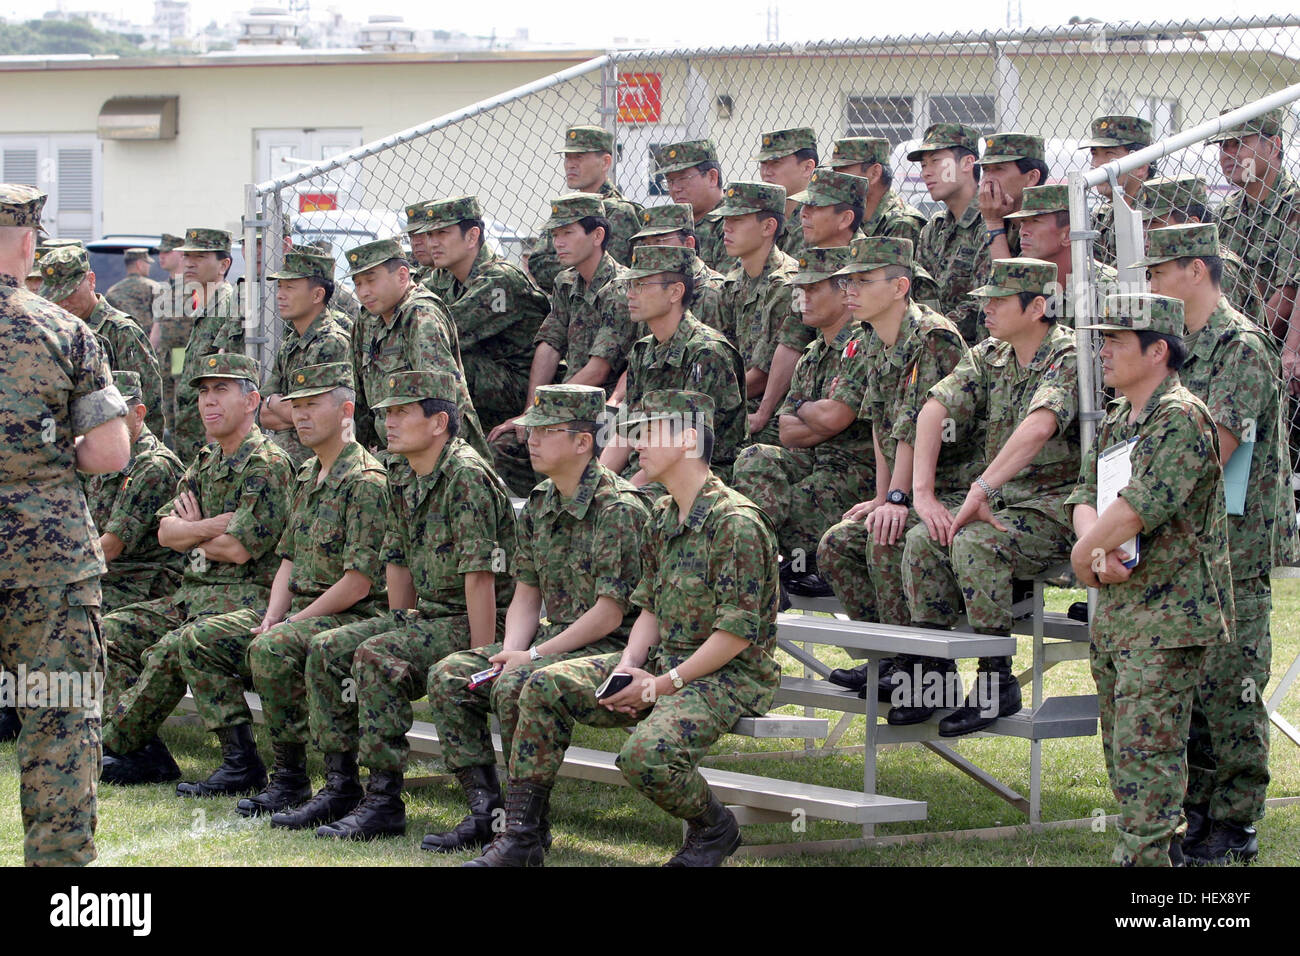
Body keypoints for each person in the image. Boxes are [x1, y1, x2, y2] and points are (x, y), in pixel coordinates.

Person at [479, 390, 780, 868]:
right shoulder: (663, 514)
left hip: (727, 675)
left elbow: (736, 635)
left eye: (649, 432)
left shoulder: (735, 523)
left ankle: (714, 828)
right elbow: (650, 608)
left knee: (645, 757)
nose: (635, 443)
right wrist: (627, 666)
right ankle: (522, 836)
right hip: (664, 663)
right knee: (540, 685)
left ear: (685, 440)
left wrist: (660, 685)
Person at [423, 384, 648, 858]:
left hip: (612, 647)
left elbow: (610, 613)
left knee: (516, 682)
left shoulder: (618, 508)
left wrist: (532, 655)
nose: (531, 441)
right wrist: (513, 649)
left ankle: (526, 831)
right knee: (448, 676)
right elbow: (527, 592)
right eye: (532, 431)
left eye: (546, 432)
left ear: (583, 442)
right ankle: (487, 813)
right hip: (553, 641)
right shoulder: (542, 501)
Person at [1139, 223, 1299, 864]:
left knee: (1230, 683)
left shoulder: (1241, 348)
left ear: (1196, 271)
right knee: (1195, 681)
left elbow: (1217, 449)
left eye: (1160, 269)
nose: (1150, 280)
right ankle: (1199, 812)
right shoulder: (1179, 348)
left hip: (1233, 544)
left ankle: (1235, 823)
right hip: (1190, 541)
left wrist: (1142, 508)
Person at [168, 363, 388, 806]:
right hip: (300, 612)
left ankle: (311, 781)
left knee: (274, 647)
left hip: (353, 614)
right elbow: (288, 558)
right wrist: (273, 616)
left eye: (312, 406)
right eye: (296, 407)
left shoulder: (364, 480)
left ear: (346, 412)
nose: (300, 417)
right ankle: (241, 763)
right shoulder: (310, 475)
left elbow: (358, 584)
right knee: (200, 639)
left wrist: (290, 621)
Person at [310, 369, 516, 840]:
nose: (389, 423)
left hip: (483, 619)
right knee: (329, 648)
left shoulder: (465, 476)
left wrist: (478, 659)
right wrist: (401, 623)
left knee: (376, 656)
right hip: (432, 617)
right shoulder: (402, 472)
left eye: (402, 412)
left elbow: (479, 576)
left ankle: (472, 807)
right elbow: (397, 559)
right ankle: (345, 786)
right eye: (386, 414)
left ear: (439, 422)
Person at [1068, 291, 1234, 867]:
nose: (1102, 351)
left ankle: (1147, 865)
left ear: (1157, 350)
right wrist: (1093, 551)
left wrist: (1084, 554)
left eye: (1115, 341)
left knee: (1149, 753)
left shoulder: (1182, 417)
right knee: (1124, 751)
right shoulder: (1120, 416)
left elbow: (1140, 506)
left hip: (1167, 619)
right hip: (1121, 611)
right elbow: (1085, 496)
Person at [0, 183, 130, 866]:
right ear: (28, 244)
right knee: (56, 721)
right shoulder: (65, 331)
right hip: (46, 563)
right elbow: (111, 452)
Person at [900, 258, 1079, 733]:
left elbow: (1041, 427)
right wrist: (923, 494)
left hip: (1053, 509)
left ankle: (996, 681)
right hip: (1002, 504)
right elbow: (933, 409)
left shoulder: (1068, 356)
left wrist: (981, 487)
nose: (987, 310)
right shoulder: (991, 353)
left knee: (976, 542)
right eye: (986, 300)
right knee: (924, 539)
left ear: (1038, 306)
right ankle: (930, 680)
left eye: (999, 301)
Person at [98, 354, 292, 787]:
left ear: (252, 401)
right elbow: (167, 533)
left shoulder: (266, 463)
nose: (208, 401)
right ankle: (144, 753)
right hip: (193, 596)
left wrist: (193, 530)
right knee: (110, 632)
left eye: (221, 390)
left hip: (245, 601)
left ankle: (234, 762)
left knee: (177, 646)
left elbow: (239, 549)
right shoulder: (206, 459)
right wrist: (208, 525)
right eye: (204, 391)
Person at [816, 238, 977, 694]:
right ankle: (886, 658)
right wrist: (883, 496)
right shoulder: (870, 337)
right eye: (848, 280)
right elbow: (879, 423)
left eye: (864, 281)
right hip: (907, 485)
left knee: (887, 537)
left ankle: (925, 671)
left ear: (900, 286)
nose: (850, 289)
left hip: (947, 485)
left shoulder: (932, 337)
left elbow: (914, 426)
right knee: (837, 543)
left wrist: (899, 500)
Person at [730, 245, 875, 597]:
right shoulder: (812, 355)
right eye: (800, 290)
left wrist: (805, 408)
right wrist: (815, 413)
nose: (803, 298)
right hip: (814, 461)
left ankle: (758, 574)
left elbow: (836, 417)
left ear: (844, 292)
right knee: (755, 457)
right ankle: (762, 570)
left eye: (813, 289)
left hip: (856, 472)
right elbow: (788, 432)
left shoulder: (864, 346)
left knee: (794, 506)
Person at [488, 193, 633, 496]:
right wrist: (531, 409)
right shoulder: (565, 282)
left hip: (605, 408)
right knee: (504, 445)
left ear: (597, 235)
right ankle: (548, 504)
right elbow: (549, 344)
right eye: (555, 234)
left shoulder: (620, 288)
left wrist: (542, 411)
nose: (558, 243)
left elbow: (598, 370)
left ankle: (575, 500)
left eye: (567, 233)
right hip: (562, 404)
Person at [601, 244, 746, 486]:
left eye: (641, 285)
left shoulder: (706, 353)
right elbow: (627, 430)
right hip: (649, 468)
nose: (630, 294)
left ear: (675, 292)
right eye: (629, 285)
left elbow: (686, 449)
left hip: (697, 475)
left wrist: (625, 493)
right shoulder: (643, 350)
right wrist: (600, 482)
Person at [345, 237, 490, 460]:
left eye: (371, 281)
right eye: (358, 283)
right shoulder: (367, 319)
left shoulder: (420, 316)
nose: (363, 292)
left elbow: (443, 402)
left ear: (402, 275)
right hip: (392, 450)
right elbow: (359, 401)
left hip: (432, 455)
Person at [417, 195, 551, 435]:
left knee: (438, 355)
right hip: (488, 378)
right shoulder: (444, 276)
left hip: (521, 386)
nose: (432, 243)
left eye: (442, 233)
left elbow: (439, 331)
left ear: (472, 236)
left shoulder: (500, 280)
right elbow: (411, 309)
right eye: (429, 235)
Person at [715, 181, 810, 445]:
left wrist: (713, 399)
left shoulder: (787, 286)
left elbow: (764, 375)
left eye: (738, 220)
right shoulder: (732, 284)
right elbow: (722, 356)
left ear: (768, 227)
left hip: (775, 411)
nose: (726, 228)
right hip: (736, 399)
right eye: (726, 220)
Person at [82, 371, 185, 612]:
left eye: (113, 414)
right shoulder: (105, 454)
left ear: (138, 414)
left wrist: (54, 570)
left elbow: (110, 546)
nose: (102, 421)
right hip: (108, 575)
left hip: (144, 584)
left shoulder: (153, 466)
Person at [38, 244, 166, 439]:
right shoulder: (52, 331)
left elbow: (149, 403)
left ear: (91, 281)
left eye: (70, 293)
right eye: (55, 297)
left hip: (112, 449)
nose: (63, 302)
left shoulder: (121, 332)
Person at [259, 247, 352, 467]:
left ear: (317, 295)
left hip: (322, 460)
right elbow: (264, 413)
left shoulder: (332, 343)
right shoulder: (291, 343)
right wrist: (278, 405)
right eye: (280, 286)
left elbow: (327, 421)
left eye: (290, 287)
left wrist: (278, 406)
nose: (280, 294)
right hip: (290, 455)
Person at [526, 125, 642, 293]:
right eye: (567, 158)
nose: (570, 165)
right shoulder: (567, 207)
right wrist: (579, 263)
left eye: (579, 157)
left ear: (605, 162)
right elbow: (538, 264)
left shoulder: (619, 212)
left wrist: (570, 265)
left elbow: (604, 273)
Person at [1135, 175, 1259, 323]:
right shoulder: (1169, 262)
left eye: (1154, 223)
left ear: (1191, 223)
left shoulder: (1216, 267)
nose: (1146, 232)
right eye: (1144, 224)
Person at [910, 123, 987, 345]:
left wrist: (932, 330)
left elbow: (983, 302)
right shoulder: (934, 228)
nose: (926, 172)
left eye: (935, 162)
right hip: (931, 345)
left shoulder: (989, 222)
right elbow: (919, 293)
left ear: (967, 163)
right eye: (924, 165)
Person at [171, 228, 243, 463]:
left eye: (200, 257)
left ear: (223, 265)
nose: (190, 264)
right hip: (190, 432)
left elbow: (227, 377)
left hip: (210, 437)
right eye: (187, 257)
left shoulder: (228, 305)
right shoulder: (204, 305)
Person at [626, 203, 727, 335]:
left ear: (688, 244)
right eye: (646, 244)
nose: (650, 251)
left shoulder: (715, 292)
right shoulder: (647, 289)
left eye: (659, 242)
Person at [1081, 114, 1154, 269]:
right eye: (1094, 154)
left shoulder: (1157, 212)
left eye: (1109, 154)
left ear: (1141, 165)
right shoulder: (1101, 217)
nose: (1097, 164)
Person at [825, 136, 926, 244]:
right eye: (834, 172)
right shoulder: (849, 216)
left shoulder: (901, 223)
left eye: (843, 172)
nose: (835, 179)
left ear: (875, 173)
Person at [655, 138, 732, 272]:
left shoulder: (732, 222)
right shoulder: (671, 226)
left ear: (712, 177)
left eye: (683, 179)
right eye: (670, 181)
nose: (675, 188)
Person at [754, 127, 817, 256]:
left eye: (776, 163)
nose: (766, 172)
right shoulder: (761, 219)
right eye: (763, 164)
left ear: (807, 168)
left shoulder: (821, 221)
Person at [791, 168, 867, 251]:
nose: (803, 213)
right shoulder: (798, 238)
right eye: (803, 204)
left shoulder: (867, 259)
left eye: (815, 206)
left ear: (845, 219)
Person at [105, 247, 163, 333]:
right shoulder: (154, 288)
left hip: (123, 342)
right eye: (147, 262)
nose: (149, 266)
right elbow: (162, 322)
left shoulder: (112, 292)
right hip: (148, 342)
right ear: (139, 264)